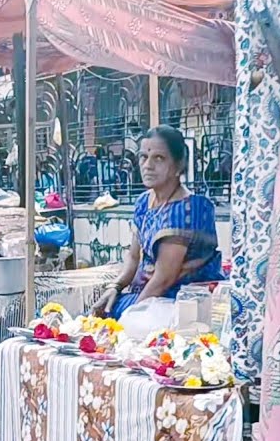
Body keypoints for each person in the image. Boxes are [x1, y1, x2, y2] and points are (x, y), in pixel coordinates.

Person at [92, 125, 224, 319]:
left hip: (180, 303)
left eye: (159, 158)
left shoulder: (189, 208)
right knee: (97, 315)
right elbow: (134, 257)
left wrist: (129, 318)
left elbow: (164, 279)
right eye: (144, 157)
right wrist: (115, 287)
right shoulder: (144, 201)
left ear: (178, 166)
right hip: (147, 295)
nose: (148, 165)